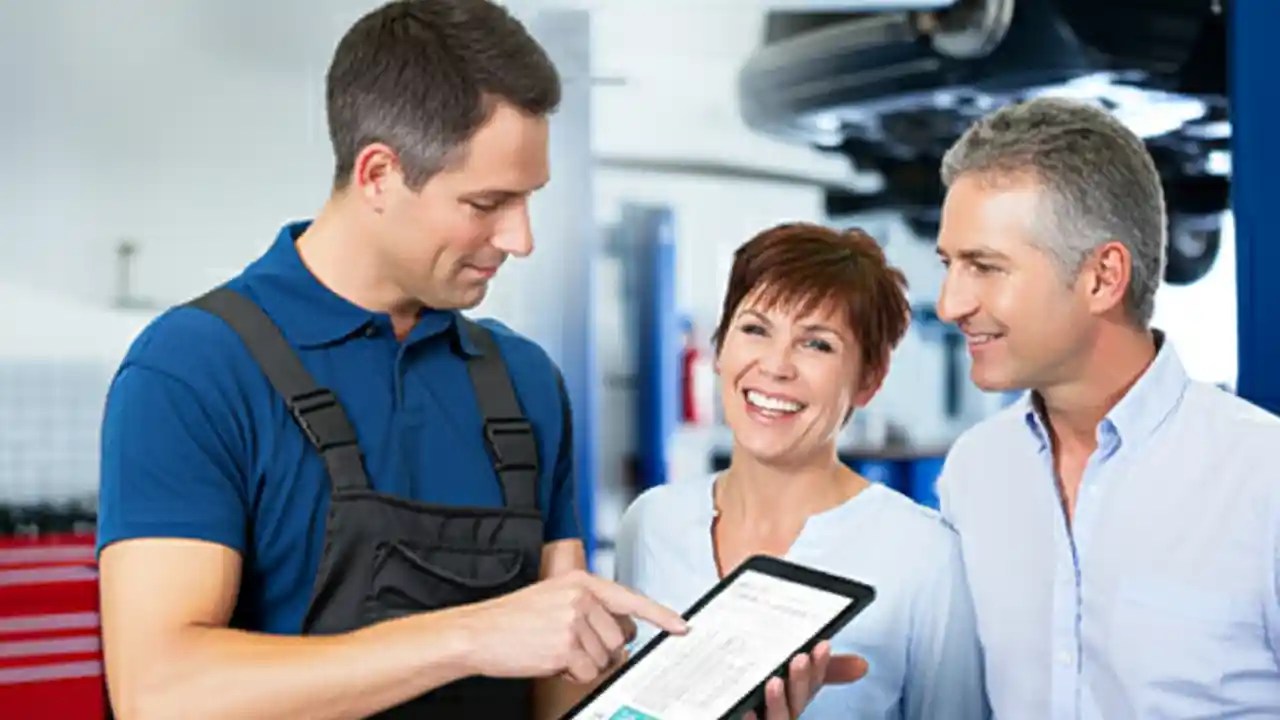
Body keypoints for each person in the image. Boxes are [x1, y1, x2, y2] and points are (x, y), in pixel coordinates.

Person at [92, 3, 695, 719]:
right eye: (487, 202)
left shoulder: (525, 383)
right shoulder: (195, 369)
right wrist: (469, 637)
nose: (521, 238)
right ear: (379, 173)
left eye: (529, 200)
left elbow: (560, 691)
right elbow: (160, 694)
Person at [933, 96, 1280, 719]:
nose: (950, 303)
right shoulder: (975, 472)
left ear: (1102, 277)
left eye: (984, 267)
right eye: (950, 264)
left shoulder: (1263, 478)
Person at [614, 222, 990, 719]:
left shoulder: (925, 557)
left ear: (869, 380)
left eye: (817, 344)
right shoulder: (652, 523)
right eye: (754, 330)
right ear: (721, 348)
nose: (776, 365)